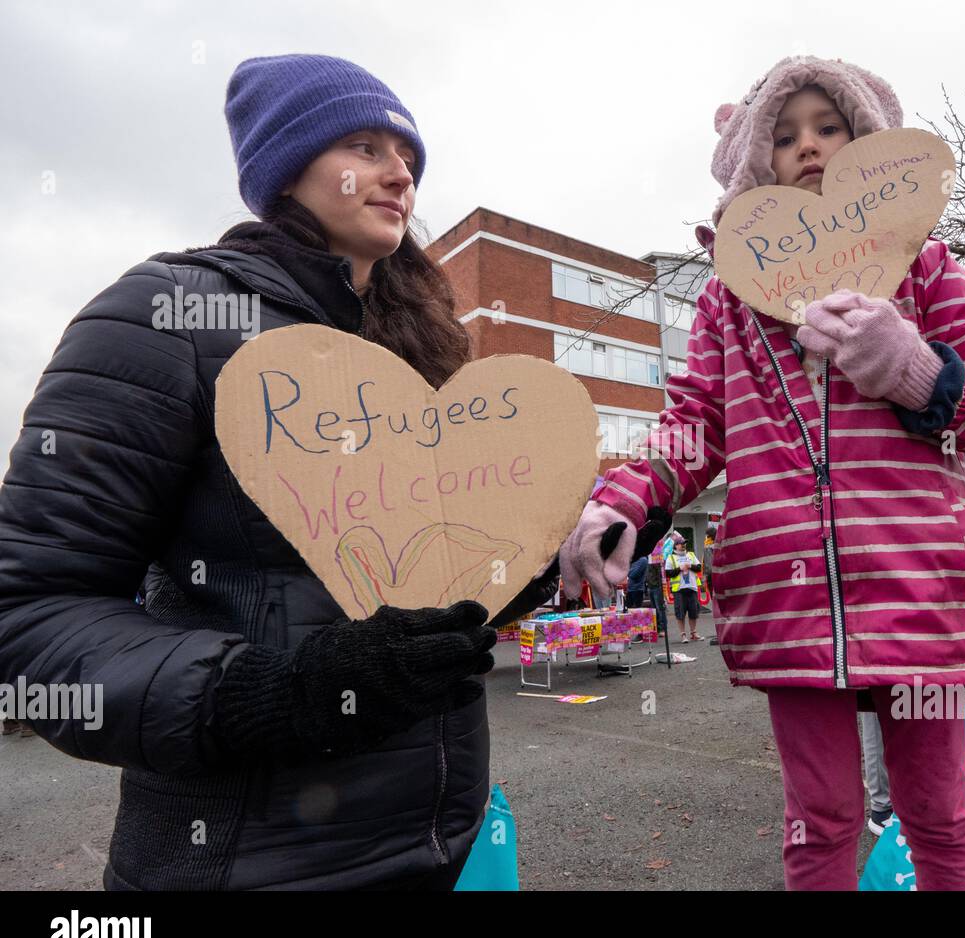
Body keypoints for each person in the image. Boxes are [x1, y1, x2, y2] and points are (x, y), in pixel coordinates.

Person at [0, 55, 577, 890]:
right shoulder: (163, 317)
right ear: (286, 165)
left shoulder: (422, 351)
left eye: (407, 154)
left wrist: (519, 566)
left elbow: (416, 586)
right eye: (362, 144)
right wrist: (272, 692)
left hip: (436, 848)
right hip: (244, 862)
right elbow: (31, 616)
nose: (400, 171)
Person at [560, 55, 965, 890]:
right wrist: (626, 496)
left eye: (830, 127)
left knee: (941, 811)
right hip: (791, 599)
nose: (809, 148)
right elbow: (696, 424)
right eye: (784, 137)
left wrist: (918, 369)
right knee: (819, 819)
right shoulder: (725, 300)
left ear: (869, 146)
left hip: (916, 582)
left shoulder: (924, 268)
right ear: (757, 162)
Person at [665, 539, 704, 642]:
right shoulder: (671, 558)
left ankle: (694, 633)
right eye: (681, 544)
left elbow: (699, 568)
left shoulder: (691, 555)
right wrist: (679, 569)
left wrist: (690, 566)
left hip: (692, 587)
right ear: (675, 546)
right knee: (680, 613)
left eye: (684, 543)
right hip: (679, 589)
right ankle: (683, 635)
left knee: (693, 611)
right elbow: (668, 573)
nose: (683, 545)